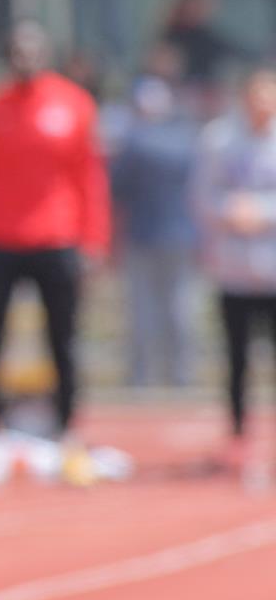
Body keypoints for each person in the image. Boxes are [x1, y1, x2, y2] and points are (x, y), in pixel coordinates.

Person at [0, 20, 110, 443]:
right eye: (17, 52)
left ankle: (66, 420)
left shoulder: (74, 105)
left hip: (56, 240)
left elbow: (89, 179)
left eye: (33, 51)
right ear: (8, 57)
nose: (26, 59)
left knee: (63, 337)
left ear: (46, 54)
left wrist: (93, 239)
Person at [192, 65, 276, 473]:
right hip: (235, 270)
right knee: (237, 358)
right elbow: (202, 196)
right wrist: (229, 212)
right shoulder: (219, 139)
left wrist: (261, 212)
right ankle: (239, 435)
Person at [109, 73, 201, 387]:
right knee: (177, 309)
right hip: (177, 235)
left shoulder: (135, 142)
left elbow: (116, 185)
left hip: (145, 234)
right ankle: (179, 374)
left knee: (146, 310)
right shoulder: (186, 140)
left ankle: (143, 376)